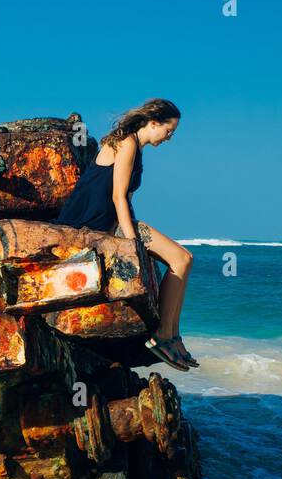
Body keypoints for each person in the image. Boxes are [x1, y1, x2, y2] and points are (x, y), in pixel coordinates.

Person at [53, 98, 197, 371]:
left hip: (114, 222)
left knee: (184, 259)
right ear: (154, 123)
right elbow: (118, 197)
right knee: (181, 259)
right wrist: (132, 244)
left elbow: (126, 199)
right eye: (169, 131)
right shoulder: (126, 143)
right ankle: (164, 335)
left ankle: (172, 336)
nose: (170, 138)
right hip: (93, 224)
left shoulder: (136, 150)